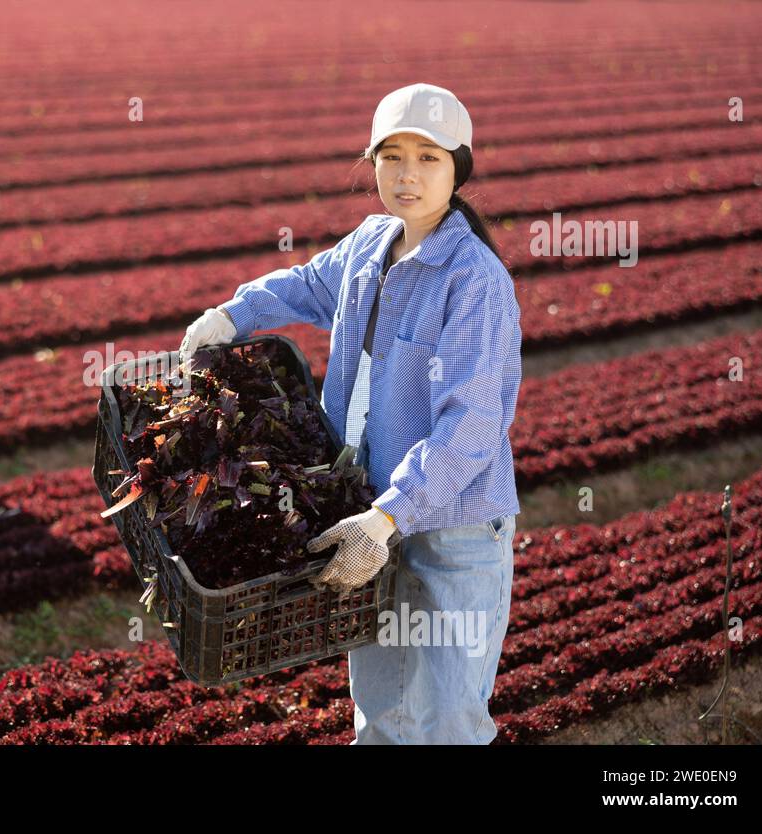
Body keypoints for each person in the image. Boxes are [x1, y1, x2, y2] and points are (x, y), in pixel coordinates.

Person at [179, 83, 522, 744]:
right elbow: (307, 283)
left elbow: (471, 425)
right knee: (381, 711)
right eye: (391, 157)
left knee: (450, 718)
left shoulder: (474, 282)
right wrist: (231, 315)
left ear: (459, 169)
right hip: (365, 513)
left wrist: (390, 517)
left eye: (428, 158)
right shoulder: (370, 245)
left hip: (450, 529)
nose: (407, 175)